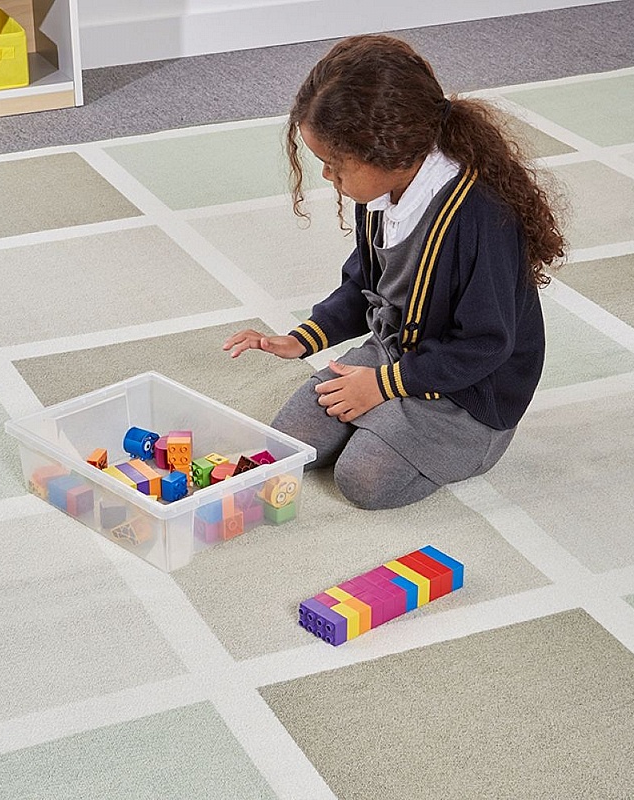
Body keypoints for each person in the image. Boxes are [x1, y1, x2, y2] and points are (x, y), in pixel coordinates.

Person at [222, 34, 566, 510]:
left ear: (389, 151)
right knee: (289, 444)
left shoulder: (481, 215)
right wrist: (304, 338)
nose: (326, 177)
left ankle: (468, 444)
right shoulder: (381, 195)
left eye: (334, 164)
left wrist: (382, 388)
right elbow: (365, 283)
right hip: (395, 354)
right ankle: (385, 417)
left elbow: (485, 344)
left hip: (468, 391)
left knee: (363, 481)